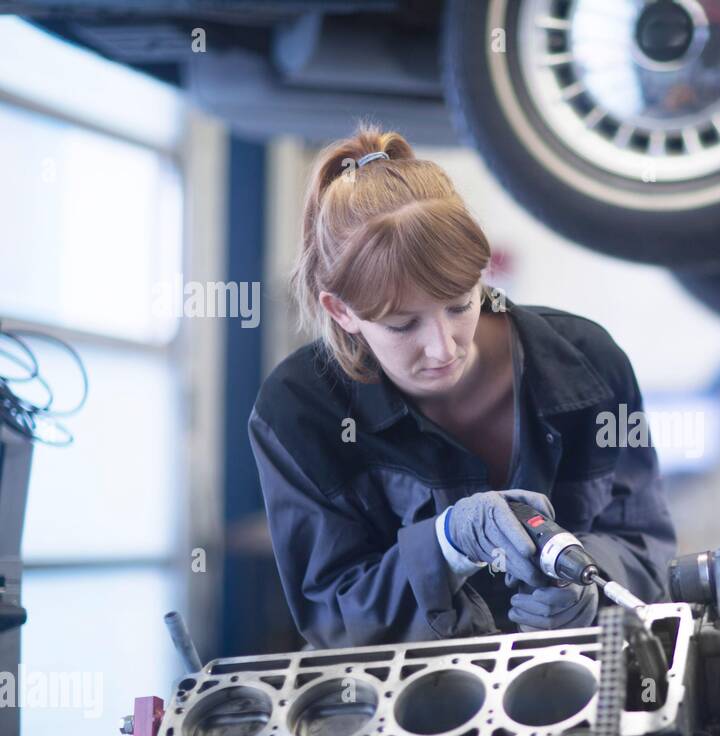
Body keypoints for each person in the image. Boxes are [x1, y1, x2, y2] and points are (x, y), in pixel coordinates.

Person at [247, 125, 676, 649]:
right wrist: (444, 544)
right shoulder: (297, 412)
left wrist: (595, 588)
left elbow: (645, 543)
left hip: (590, 689)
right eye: (403, 325)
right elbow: (333, 615)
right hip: (409, 711)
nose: (444, 348)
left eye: (459, 305)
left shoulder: (590, 364)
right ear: (341, 309)